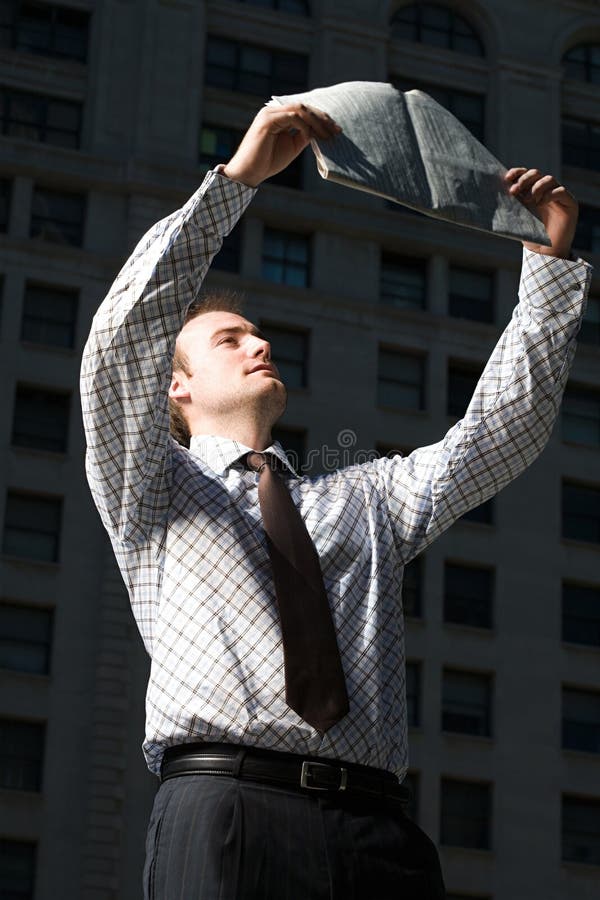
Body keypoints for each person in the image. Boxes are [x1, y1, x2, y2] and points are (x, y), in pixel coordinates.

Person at [80, 102, 591, 900]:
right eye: (230, 339)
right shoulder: (152, 486)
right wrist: (238, 181)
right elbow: (119, 349)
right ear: (176, 388)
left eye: (260, 334)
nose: (260, 343)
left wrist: (548, 268)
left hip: (381, 836)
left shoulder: (366, 499)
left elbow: (502, 433)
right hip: (225, 814)